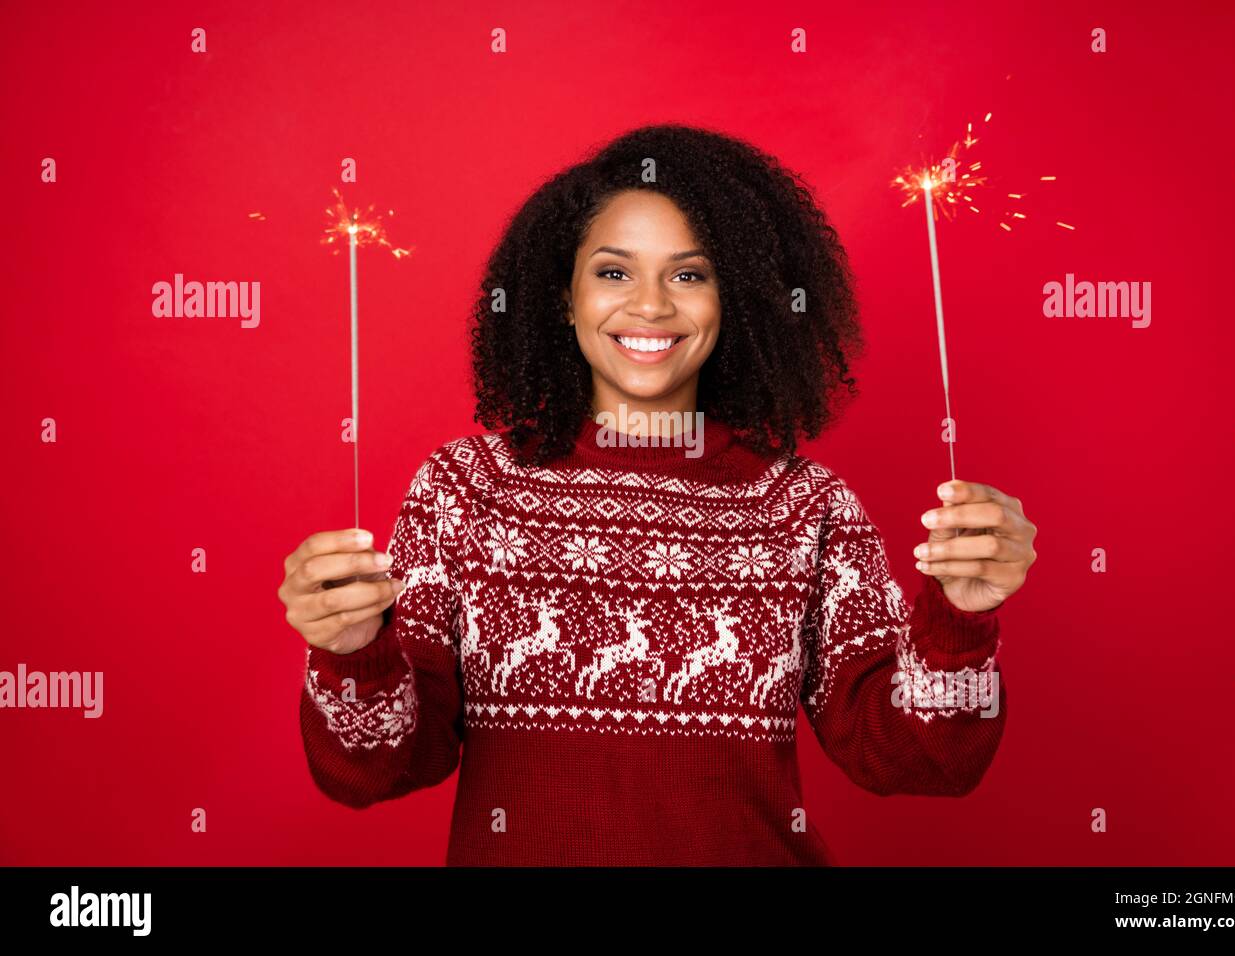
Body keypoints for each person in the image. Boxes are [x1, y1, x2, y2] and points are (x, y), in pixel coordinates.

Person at [278, 123, 1037, 865]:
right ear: (563, 299)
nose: (649, 305)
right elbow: (379, 772)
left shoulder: (804, 507)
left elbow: (918, 761)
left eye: (689, 274)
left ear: (730, 301)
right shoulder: (467, 491)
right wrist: (352, 655)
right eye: (613, 272)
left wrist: (960, 620)